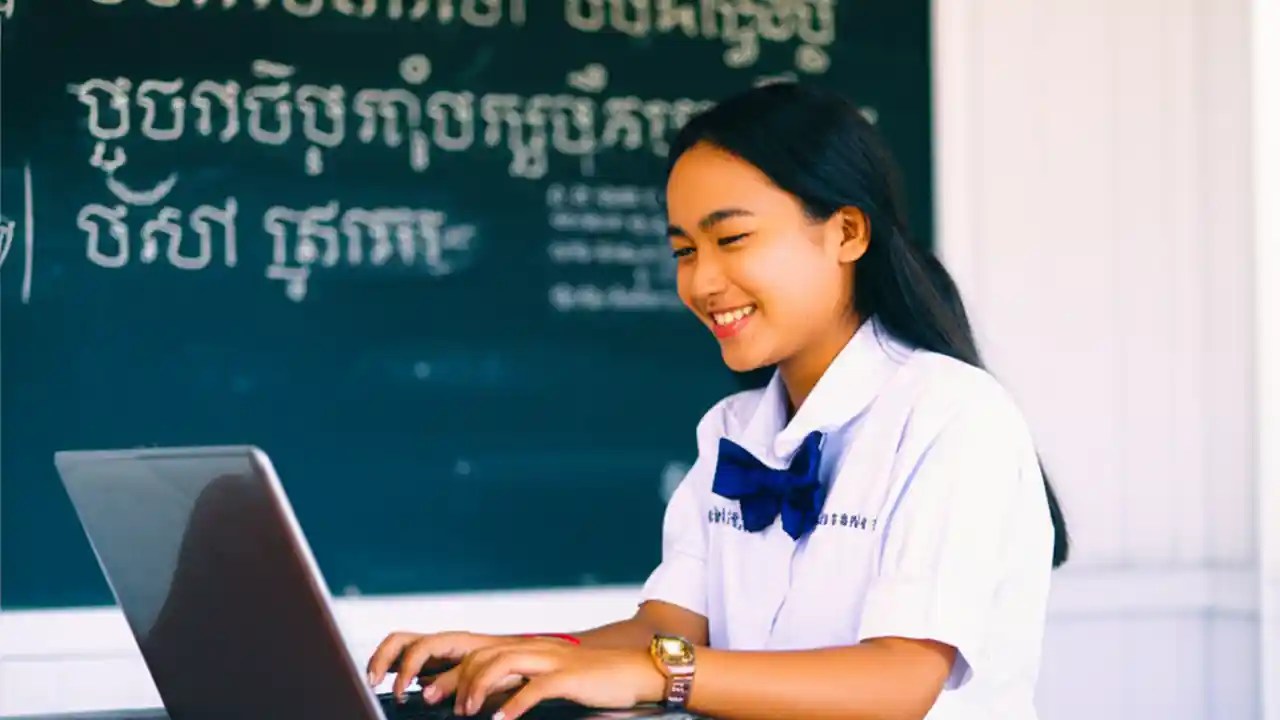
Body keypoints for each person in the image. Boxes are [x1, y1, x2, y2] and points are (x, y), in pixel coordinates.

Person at [366, 81, 1071, 720]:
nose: (703, 282)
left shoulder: (951, 413)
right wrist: (506, 652)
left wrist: (658, 676)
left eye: (731, 238)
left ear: (847, 233)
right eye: (683, 250)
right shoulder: (732, 429)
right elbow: (665, 634)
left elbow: (897, 684)